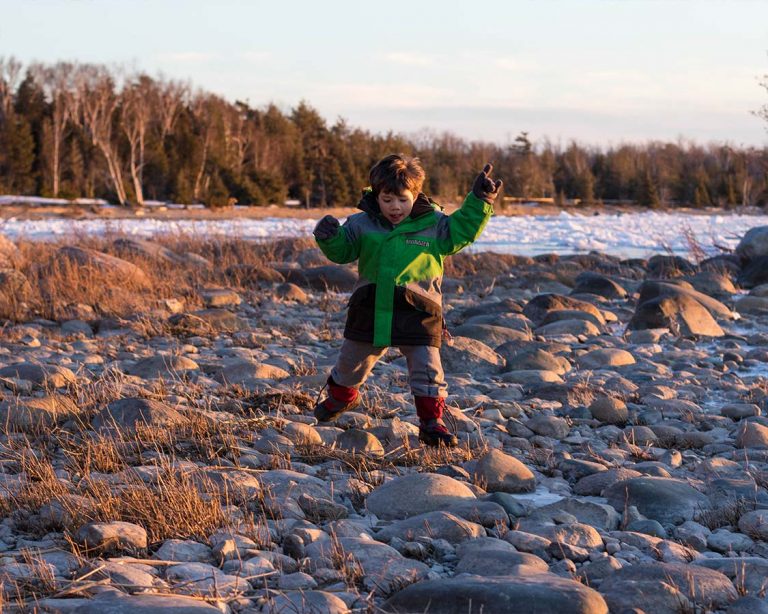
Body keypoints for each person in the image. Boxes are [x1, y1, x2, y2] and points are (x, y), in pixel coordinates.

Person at [312, 154, 501, 446]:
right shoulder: (362, 224)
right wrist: (329, 237)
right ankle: (341, 399)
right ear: (377, 196)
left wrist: (480, 201)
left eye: (402, 199)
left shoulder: (435, 225)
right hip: (371, 307)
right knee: (351, 363)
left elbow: (461, 231)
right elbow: (343, 251)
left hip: (419, 310)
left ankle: (431, 423)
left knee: (428, 368)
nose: (395, 207)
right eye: (387, 200)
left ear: (415, 194)